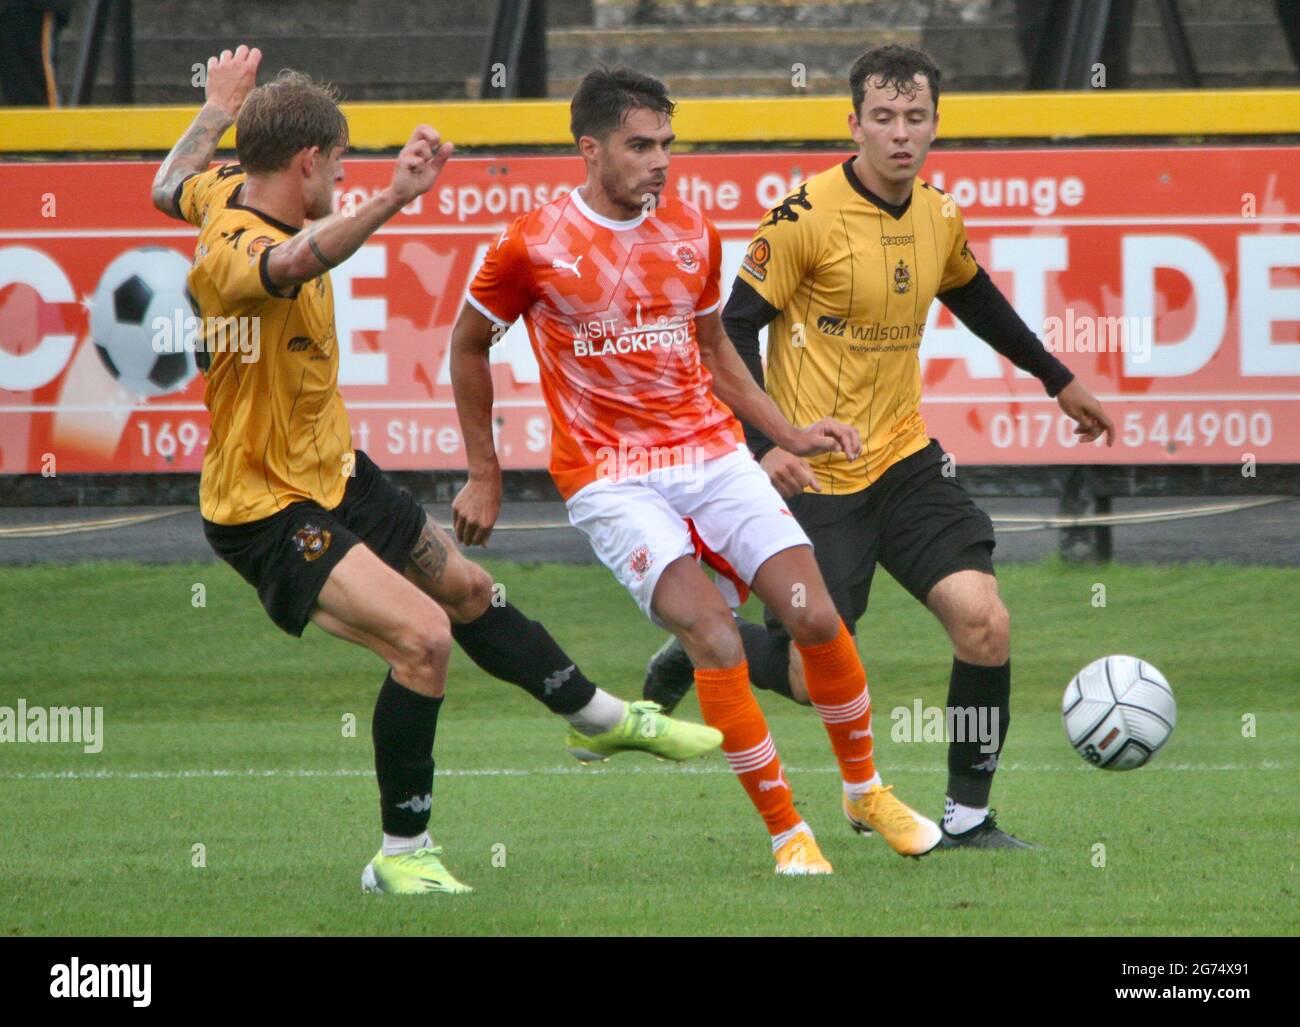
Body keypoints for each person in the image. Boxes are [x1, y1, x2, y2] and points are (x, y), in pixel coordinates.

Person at [150, 46, 721, 896]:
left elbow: (167, 184)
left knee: (468, 592)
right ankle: (401, 852)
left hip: (335, 471)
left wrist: (218, 108)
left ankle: (602, 719)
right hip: (264, 503)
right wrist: (394, 196)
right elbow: (296, 262)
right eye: (339, 166)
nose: (343, 179)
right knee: (422, 639)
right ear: (308, 162)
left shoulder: (223, 185)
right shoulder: (233, 246)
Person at [450, 66, 941, 876]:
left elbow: (715, 352)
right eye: (640, 146)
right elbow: (469, 344)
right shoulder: (530, 245)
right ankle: (789, 833)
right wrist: (484, 471)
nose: (659, 162)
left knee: (816, 618)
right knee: (713, 634)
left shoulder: (690, 230)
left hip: (711, 454)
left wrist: (786, 432)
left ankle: (865, 790)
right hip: (610, 474)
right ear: (590, 148)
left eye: (666, 146)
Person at [642, 43, 1117, 849]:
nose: (901, 133)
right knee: (807, 671)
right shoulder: (803, 217)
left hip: (903, 461)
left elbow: (976, 297)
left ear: (936, 124)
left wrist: (1057, 377)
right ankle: (712, 645)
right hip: (816, 477)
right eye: (885, 118)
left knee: (985, 621)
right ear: (853, 122)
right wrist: (770, 444)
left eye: (916, 117)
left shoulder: (939, 215)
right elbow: (732, 330)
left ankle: (968, 817)